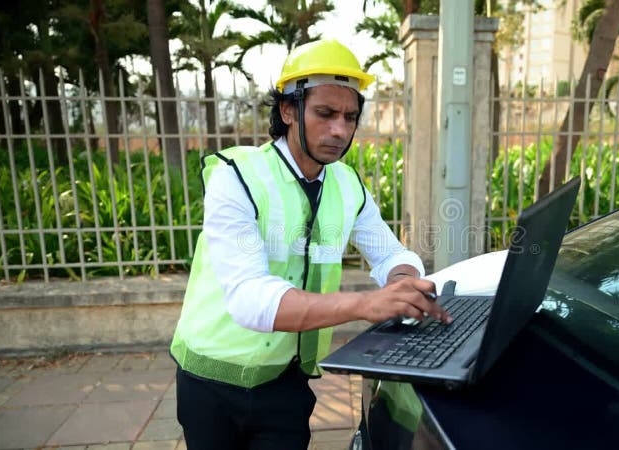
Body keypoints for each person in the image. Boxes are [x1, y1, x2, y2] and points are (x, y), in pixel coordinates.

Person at [170, 39, 452, 450]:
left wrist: (404, 280)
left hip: (286, 382)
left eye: (350, 117)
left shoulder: (347, 184)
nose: (340, 129)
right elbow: (250, 298)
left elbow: (391, 253)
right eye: (325, 113)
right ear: (288, 110)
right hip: (211, 381)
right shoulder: (236, 175)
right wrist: (365, 304)